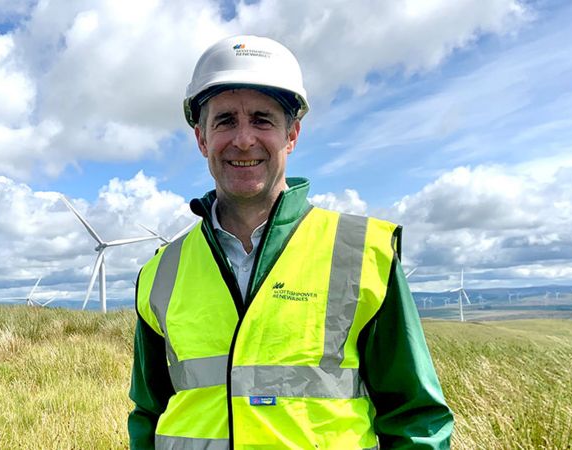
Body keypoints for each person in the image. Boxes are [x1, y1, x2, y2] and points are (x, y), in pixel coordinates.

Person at [128, 35, 454, 449]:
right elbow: (148, 413)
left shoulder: (363, 253)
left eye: (262, 119)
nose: (243, 139)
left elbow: (416, 417)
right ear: (201, 138)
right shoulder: (160, 272)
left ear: (292, 134)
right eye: (225, 120)